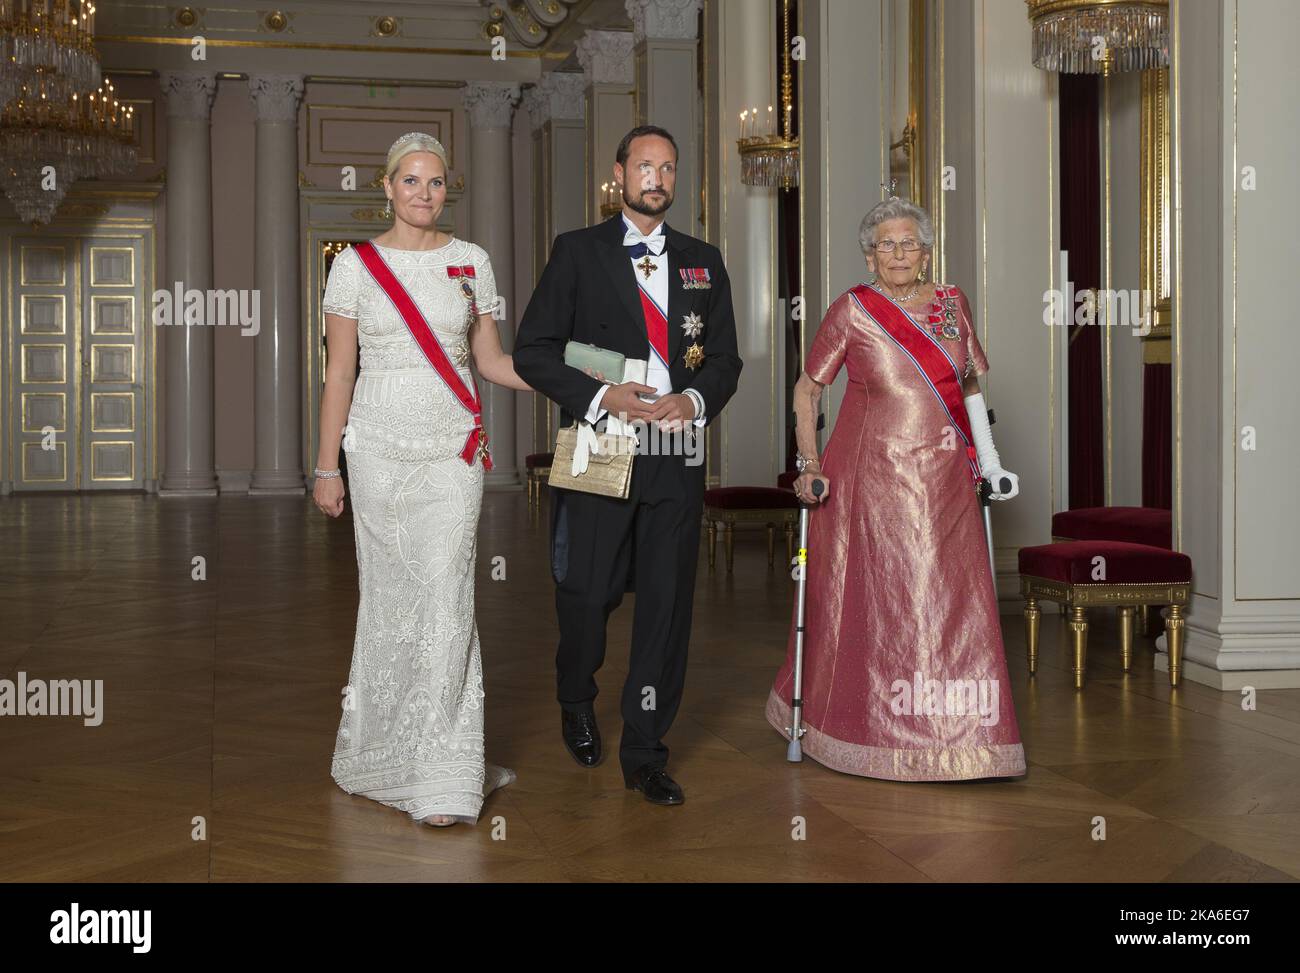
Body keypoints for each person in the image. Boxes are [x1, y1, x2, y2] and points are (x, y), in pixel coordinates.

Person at [513, 125, 742, 805]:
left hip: (675, 449)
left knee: (667, 605)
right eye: (645, 165)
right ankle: (576, 694)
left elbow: (726, 358)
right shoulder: (578, 252)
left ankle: (645, 751)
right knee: (585, 594)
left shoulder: (704, 259)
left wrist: (694, 400)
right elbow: (533, 350)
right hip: (597, 440)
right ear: (620, 174)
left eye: (668, 167)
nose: (657, 177)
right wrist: (603, 393)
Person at [767, 196, 1026, 781]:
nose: (899, 253)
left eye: (909, 242)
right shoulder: (853, 310)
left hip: (948, 479)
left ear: (926, 251)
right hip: (870, 482)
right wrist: (809, 462)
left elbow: (970, 386)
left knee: (953, 600)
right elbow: (807, 390)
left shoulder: (953, 304)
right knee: (884, 601)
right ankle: (870, 729)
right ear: (869, 255)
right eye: (886, 244)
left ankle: (962, 737)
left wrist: (990, 460)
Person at [315, 132, 532, 826]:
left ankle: (444, 769)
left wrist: (569, 377)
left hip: (450, 451)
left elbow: (492, 360)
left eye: (436, 183)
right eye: (410, 181)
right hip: (375, 451)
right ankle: (382, 752)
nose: (424, 194)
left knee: (446, 598)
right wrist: (328, 466)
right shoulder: (353, 266)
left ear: (448, 189)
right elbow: (340, 371)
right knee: (388, 601)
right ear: (386, 186)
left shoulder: (472, 263)